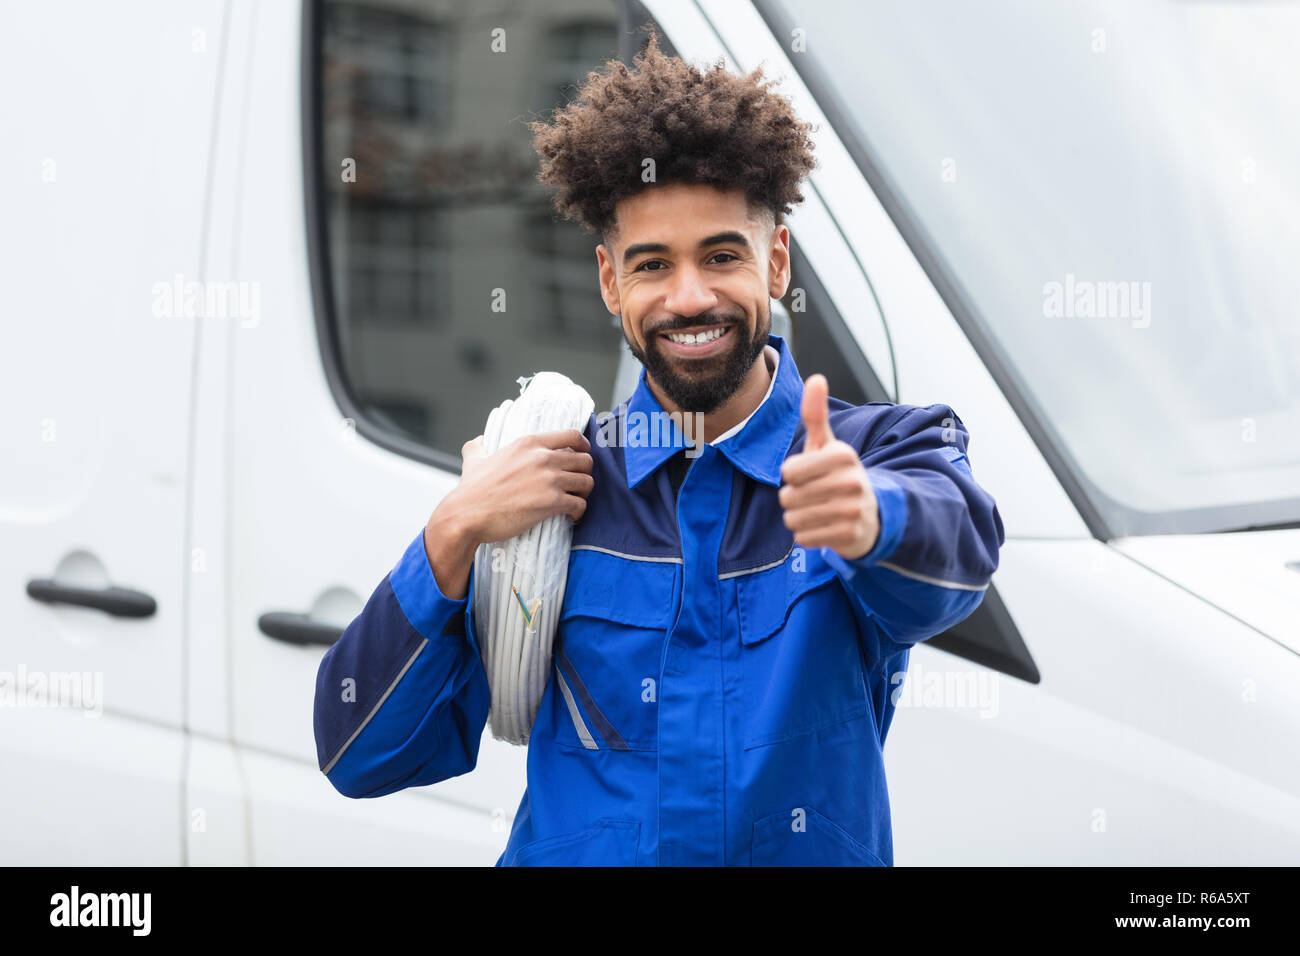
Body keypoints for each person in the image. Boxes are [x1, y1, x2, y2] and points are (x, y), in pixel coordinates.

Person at [313, 33, 1004, 866]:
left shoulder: (877, 452)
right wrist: (453, 532)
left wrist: (872, 520)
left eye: (722, 255)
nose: (690, 297)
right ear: (610, 283)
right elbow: (359, 755)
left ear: (776, 262)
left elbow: (959, 558)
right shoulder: (548, 488)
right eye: (653, 266)